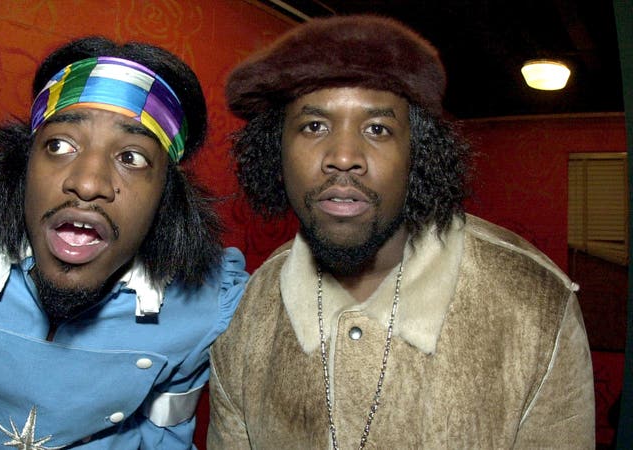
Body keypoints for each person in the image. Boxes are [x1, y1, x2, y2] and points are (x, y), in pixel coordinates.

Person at [208, 14, 594, 449]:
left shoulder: (536, 306)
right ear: (275, 150)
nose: (343, 156)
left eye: (378, 129)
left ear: (419, 154)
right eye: (314, 126)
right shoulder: (247, 315)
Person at [0, 35, 248, 449]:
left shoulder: (201, 307)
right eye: (60, 145)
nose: (88, 183)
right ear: (25, 162)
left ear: (166, 195)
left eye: (131, 157)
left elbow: (166, 431)